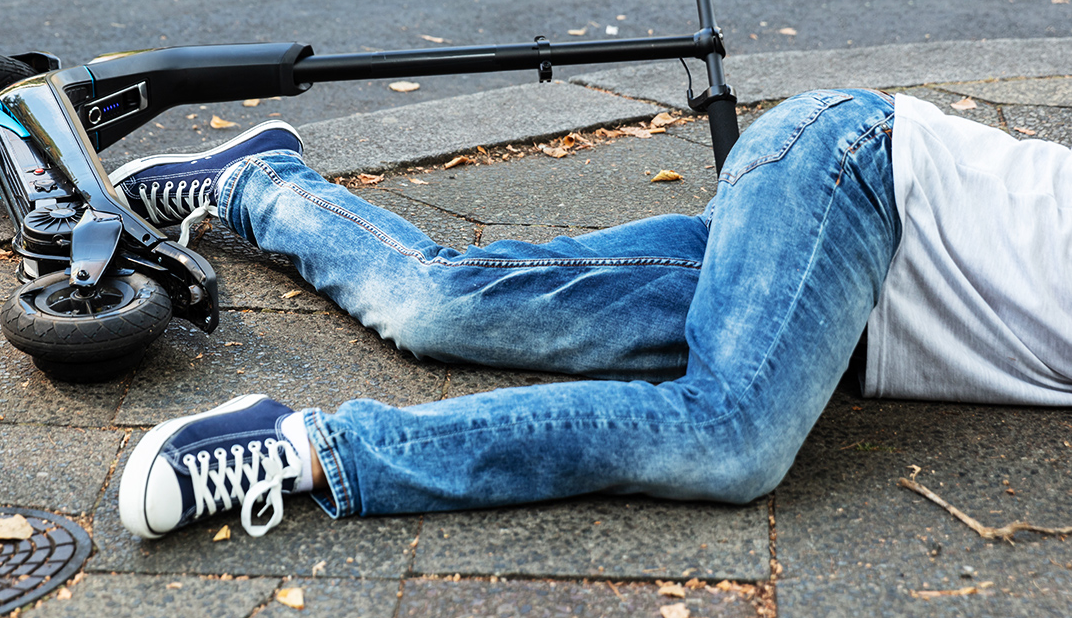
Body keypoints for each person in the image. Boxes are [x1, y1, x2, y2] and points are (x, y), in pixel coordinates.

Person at [104, 89, 1072, 541]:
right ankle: (308, 447)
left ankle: (259, 184)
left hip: (851, 294)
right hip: (858, 179)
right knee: (731, 436)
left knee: (440, 304)